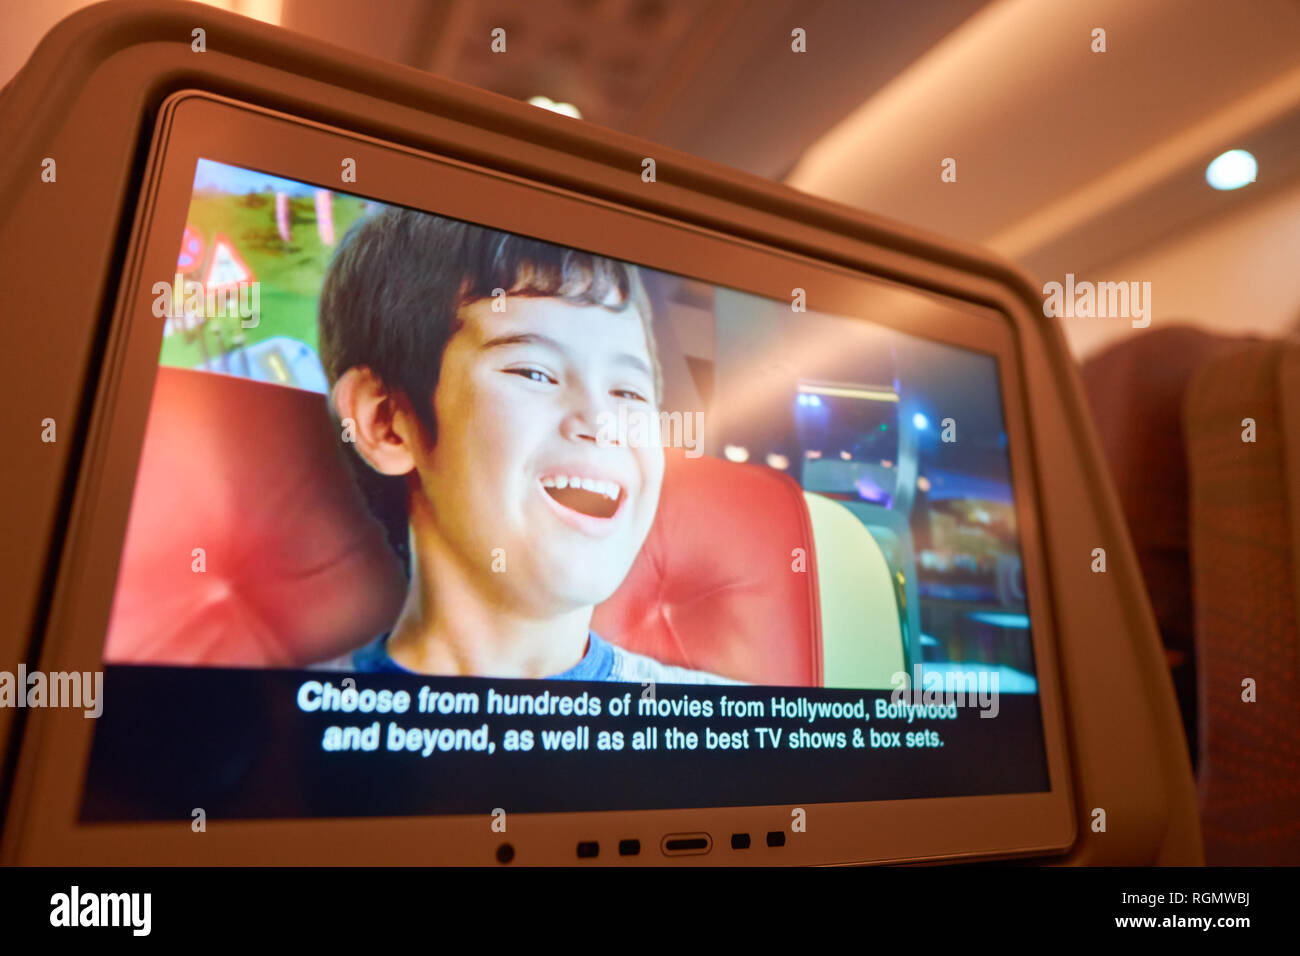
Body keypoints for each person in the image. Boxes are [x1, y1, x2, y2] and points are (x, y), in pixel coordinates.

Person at [317, 207, 736, 684]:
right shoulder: (276, 731)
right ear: (386, 422)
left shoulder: (734, 729)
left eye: (629, 393)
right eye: (533, 372)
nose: (602, 423)